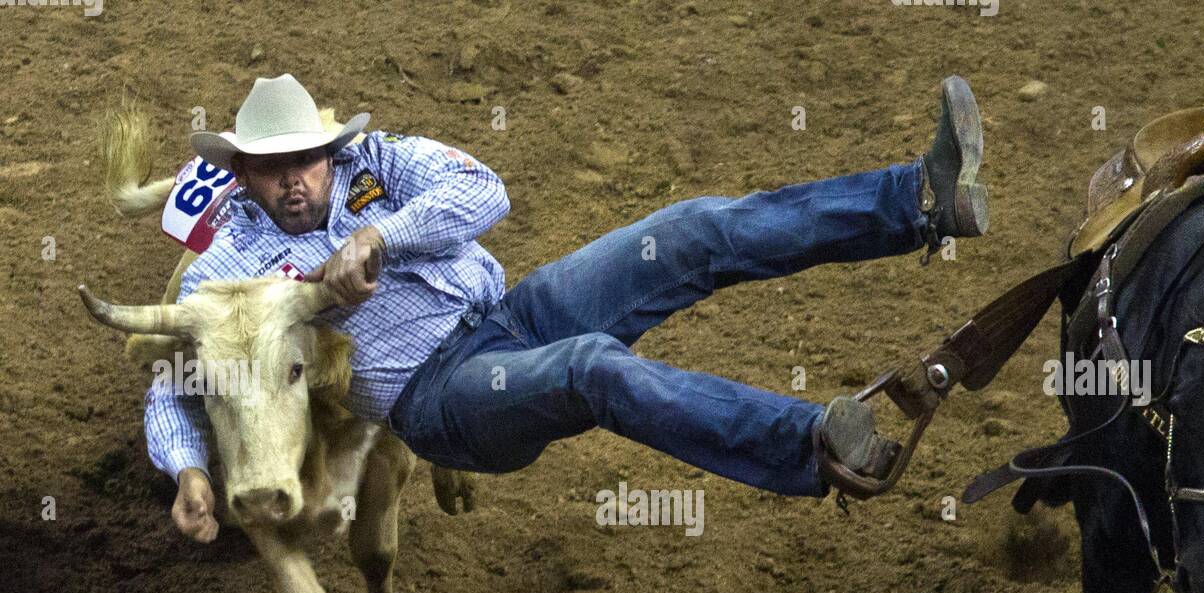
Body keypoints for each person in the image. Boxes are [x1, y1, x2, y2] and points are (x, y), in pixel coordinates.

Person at [150, 73, 988, 541]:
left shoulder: (374, 160)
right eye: (272, 166)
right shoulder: (227, 265)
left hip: (518, 311)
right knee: (593, 372)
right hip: (443, 399)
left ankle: (916, 199)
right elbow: (176, 376)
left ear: (331, 152)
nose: (296, 178)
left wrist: (383, 240)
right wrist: (186, 466)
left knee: (688, 229)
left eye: (308, 159)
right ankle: (813, 447)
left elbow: (485, 189)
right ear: (242, 174)